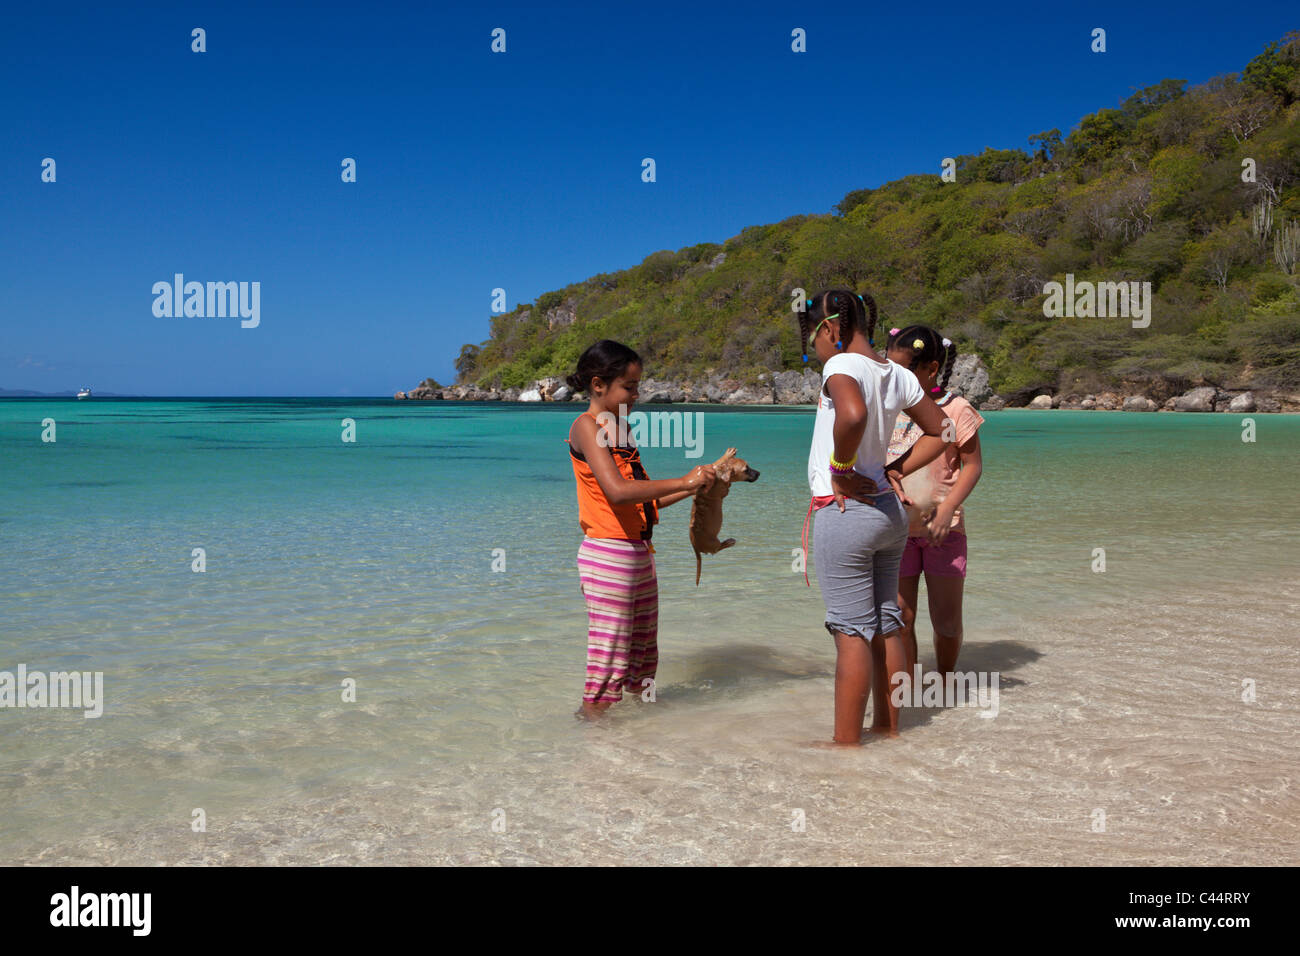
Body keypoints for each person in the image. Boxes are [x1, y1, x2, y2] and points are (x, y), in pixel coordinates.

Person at [799, 290, 949, 742]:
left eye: (813, 339)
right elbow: (944, 430)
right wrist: (895, 469)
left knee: (850, 631)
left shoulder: (840, 366)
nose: (815, 349)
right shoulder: (896, 372)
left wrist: (841, 471)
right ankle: (888, 730)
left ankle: (845, 746)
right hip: (887, 512)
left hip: (845, 512)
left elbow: (852, 413)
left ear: (829, 329)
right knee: (887, 623)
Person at [564, 340, 716, 718]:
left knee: (644, 658)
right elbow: (617, 493)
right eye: (629, 388)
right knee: (608, 663)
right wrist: (683, 480)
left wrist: (694, 487)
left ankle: (647, 732)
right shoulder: (585, 427)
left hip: (638, 553)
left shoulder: (621, 429)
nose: (637, 395)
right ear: (598, 385)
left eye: (638, 387)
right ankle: (593, 734)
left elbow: (643, 500)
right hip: (607, 555)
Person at [885, 326, 985, 677]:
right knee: (900, 619)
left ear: (930, 369)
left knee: (946, 623)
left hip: (944, 532)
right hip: (895, 532)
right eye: (890, 369)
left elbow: (973, 466)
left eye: (904, 371)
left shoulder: (956, 409)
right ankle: (909, 690)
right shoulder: (887, 408)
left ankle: (945, 679)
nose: (895, 378)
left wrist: (946, 508)